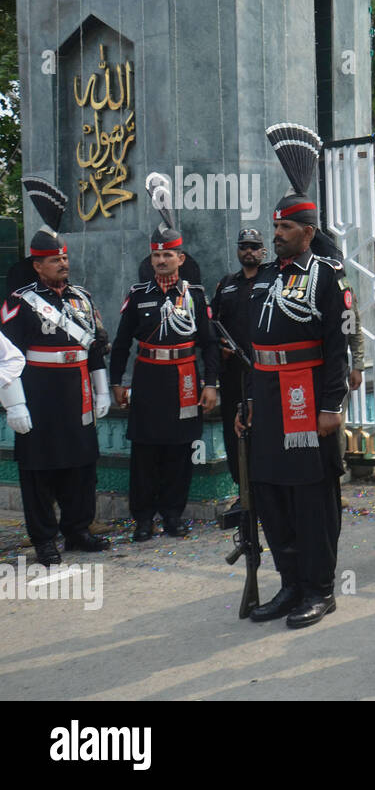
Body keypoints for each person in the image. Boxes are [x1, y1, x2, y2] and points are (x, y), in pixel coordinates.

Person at [239, 122, 349, 628]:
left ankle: (319, 589)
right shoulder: (264, 279)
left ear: (306, 233)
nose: (276, 234)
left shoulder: (327, 277)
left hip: (306, 399)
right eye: (275, 226)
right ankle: (289, 583)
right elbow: (253, 348)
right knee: (273, 496)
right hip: (266, 398)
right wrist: (249, 404)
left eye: (285, 228)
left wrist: (332, 407)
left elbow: (337, 345)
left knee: (309, 498)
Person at [1, 178, 111, 566]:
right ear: (37, 264)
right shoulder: (20, 303)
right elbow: (6, 355)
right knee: (39, 471)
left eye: (64, 258)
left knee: (81, 465)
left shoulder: (82, 297)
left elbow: (93, 346)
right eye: (54, 260)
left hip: (76, 391)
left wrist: (101, 390)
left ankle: (78, 529)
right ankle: (44, 539)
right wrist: (14, 404)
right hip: (39, 394)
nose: (62, 263)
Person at [111, 183, 220, 541]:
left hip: (184, 380)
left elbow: (208, 344)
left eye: (168, 255)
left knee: (178, 451)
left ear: (180, 258)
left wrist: (210, 383)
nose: (161, 261)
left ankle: (173, 516)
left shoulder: (195, 295)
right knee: (144, 452)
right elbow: (123, 341)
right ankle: (143, 519)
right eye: (156, 256)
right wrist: (118, 381)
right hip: (148, 379)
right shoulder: (137, 295)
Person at [211, 228, 266, 501]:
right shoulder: (227, 284)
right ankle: (242, 490)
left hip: (263, 369)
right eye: (244, 246)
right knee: (234, 433)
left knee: (263, 430)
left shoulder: (271, 280)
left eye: (254, 247)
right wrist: (219, 346)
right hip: (233, 372)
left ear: (263, 251)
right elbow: (213, 324)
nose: (249, 251)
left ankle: (262, 489)